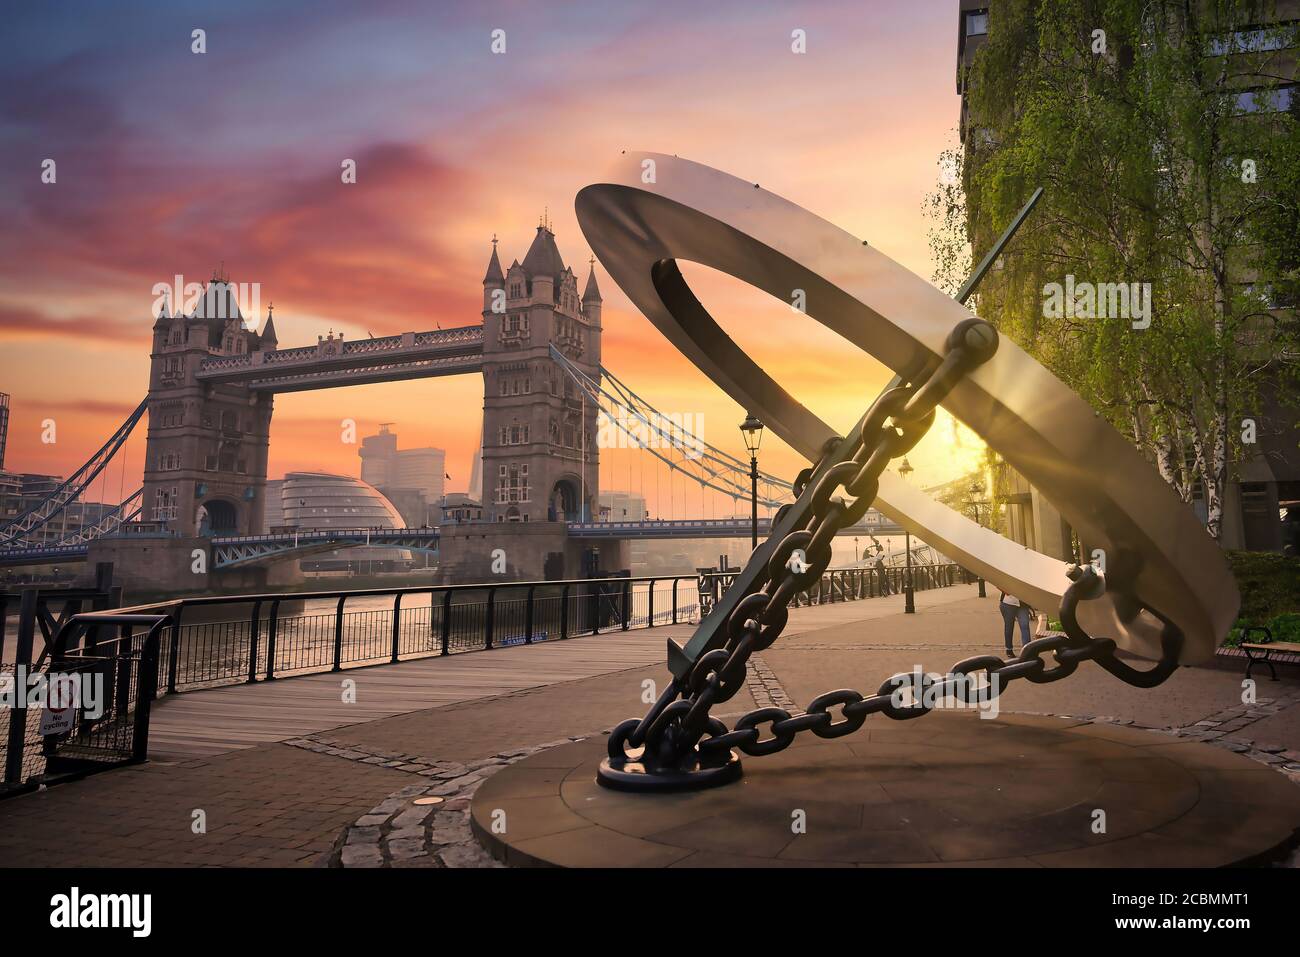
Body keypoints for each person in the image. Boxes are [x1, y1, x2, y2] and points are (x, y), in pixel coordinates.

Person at [998, 590, 1032, 655]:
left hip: (1023, 603)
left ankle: (1027, 651)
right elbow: (997, 583)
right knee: (1009, 626)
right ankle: (1009, 648)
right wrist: (1004, 590)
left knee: (1025, 625)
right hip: (1008, 602)